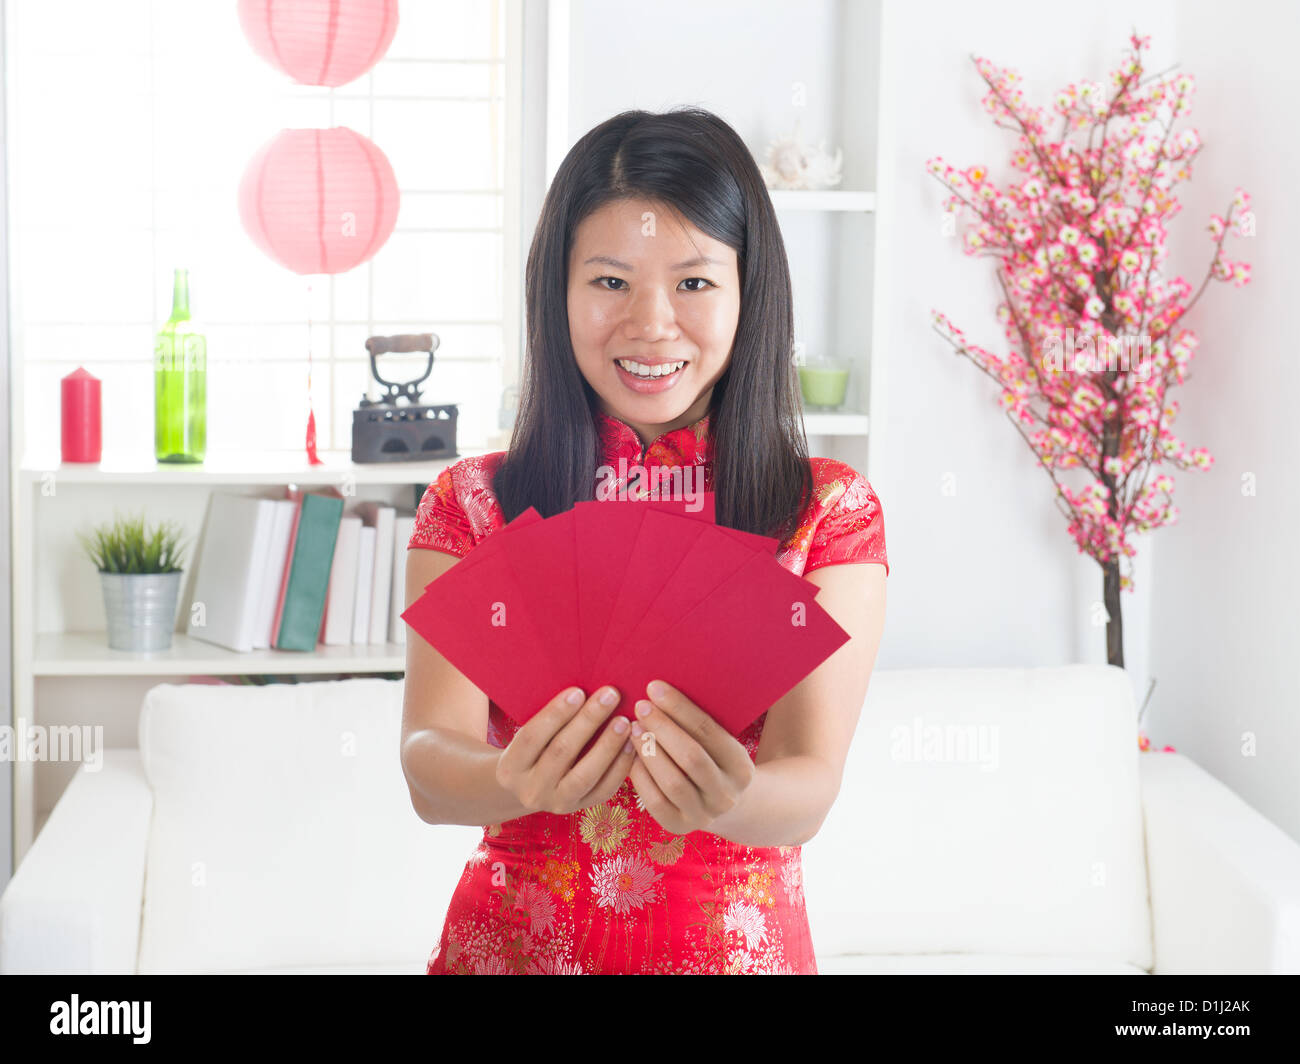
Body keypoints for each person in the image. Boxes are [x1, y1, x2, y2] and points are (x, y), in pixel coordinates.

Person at [401, 107, 888, 975]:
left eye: (695, 283)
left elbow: (809, 786)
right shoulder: (472, 502)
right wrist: (512, 779)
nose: (652, 324)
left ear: (751, 293)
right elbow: (428, 769)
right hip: (510, 951)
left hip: (739, 952)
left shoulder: (827, 511)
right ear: (558, 293)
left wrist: (730, 800)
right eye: (611, 282)